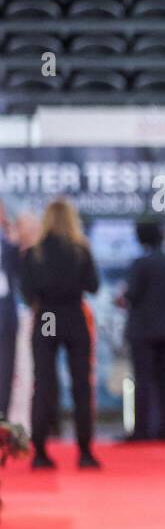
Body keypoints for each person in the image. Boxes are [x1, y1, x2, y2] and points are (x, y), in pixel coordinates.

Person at [19, 197, 101, 470]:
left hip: (48, 317)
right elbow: (93, 285)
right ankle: (85, 452)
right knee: (81, 384)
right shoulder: (80, 250)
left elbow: (28, 293)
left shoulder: (35, 252)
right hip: (73, 316)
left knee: (43, 383)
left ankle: (40, 451)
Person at [118, 221, 165, 441]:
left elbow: (131, 295)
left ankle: (142, 430)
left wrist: (123, 300)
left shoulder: (140, 264)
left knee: (143, 379)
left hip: (142, 330)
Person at [0, 202, 20, 421]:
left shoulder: (9, 243)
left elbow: (21, 276)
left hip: (6, 312)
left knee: (5, 369)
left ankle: (2, 421)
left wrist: (14, 242)